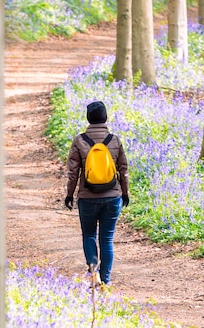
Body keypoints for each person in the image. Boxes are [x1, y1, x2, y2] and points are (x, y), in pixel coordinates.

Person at [63, 100, 130, 286]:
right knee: (106, 239)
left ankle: (94, 274)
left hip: (87, 197)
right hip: (112, 196)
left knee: (89, 236)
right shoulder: (115, 140)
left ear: (88, 118)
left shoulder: (80, 140)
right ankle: (106, 281)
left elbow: (73, 172)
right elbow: (123, 169)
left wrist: (70, 194)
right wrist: (125, 192)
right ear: (106, 117)